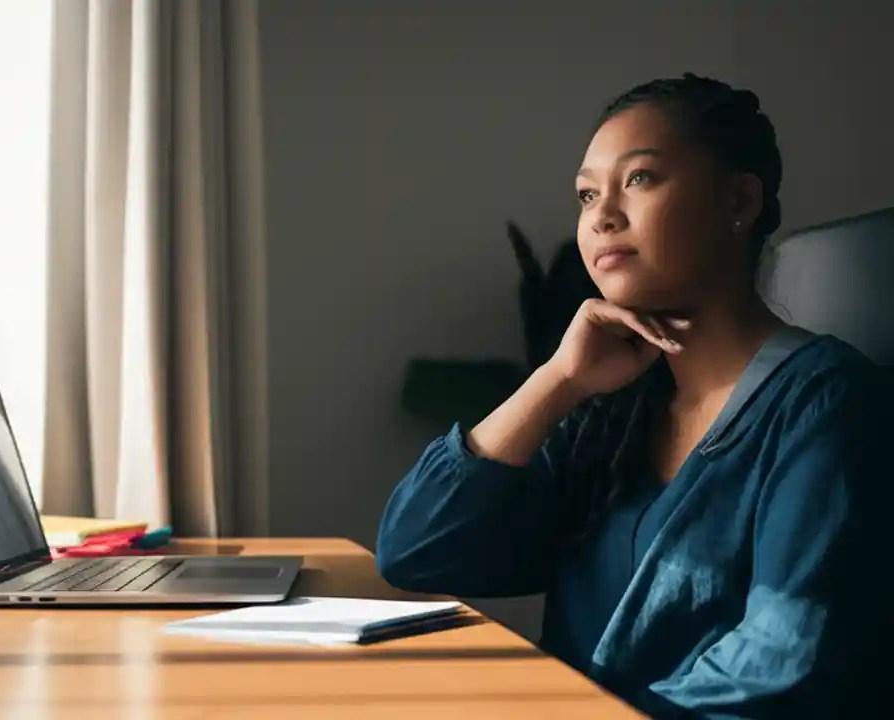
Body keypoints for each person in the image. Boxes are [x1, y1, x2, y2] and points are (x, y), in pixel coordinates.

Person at [375, 74, 894, 719]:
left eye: (639, 179)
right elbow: (417, 550)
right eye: (587, 194)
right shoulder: (612, 411)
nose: (601, 215)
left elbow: (776, 667)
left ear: (739, 200)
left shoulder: (828, 406)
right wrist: (557, 379)